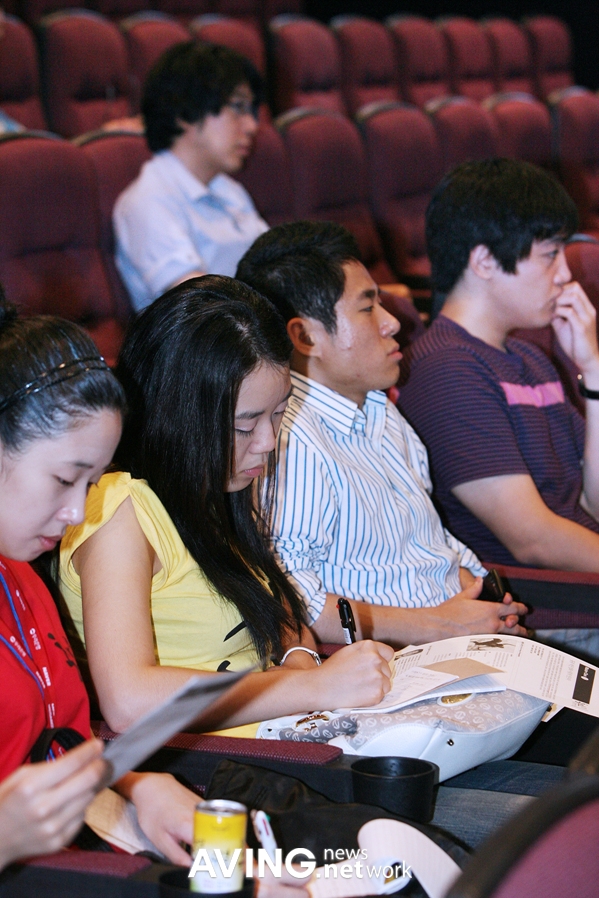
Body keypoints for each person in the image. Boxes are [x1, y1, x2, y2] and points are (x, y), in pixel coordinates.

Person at [59, 276, 393, 737]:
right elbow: (128, 700)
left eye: (279, 413)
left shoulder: (217, 490)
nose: (267, 443)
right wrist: (313, 687)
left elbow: (277, 612)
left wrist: (301, 661)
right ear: (177, 415)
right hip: (221, 771)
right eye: (245, 425)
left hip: (292, 740)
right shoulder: (121, 511)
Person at [235, 221, 527, 647]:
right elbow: (292, 596)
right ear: (304, 336)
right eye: (368, 307)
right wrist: (440, 625)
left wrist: (485, 598)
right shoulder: (291, 438)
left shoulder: (379, 408)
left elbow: (431, 543)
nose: (392, 323)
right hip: (395, 665)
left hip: (465, 638)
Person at [0, 301, 205, 869]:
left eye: (91, 483)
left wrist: (136, 784)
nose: (77, 512)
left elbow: (60, 738)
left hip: (91, 851)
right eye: (66, 478)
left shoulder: (21, 577)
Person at [398, 159, 599, 576]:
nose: (565, 274)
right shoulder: (446, 371)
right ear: (485, 261)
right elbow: (532, 540)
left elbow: (593, 504)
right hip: (551, 608)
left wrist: (594, 371)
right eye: (551, 255)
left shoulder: (529, 359)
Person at [113, 42, 268, 313]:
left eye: (252, 110)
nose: (252, 126)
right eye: (238, 107)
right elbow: (203, 307)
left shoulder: (230, 189)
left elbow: (275, 267)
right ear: (186, 112)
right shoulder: (148, 200)